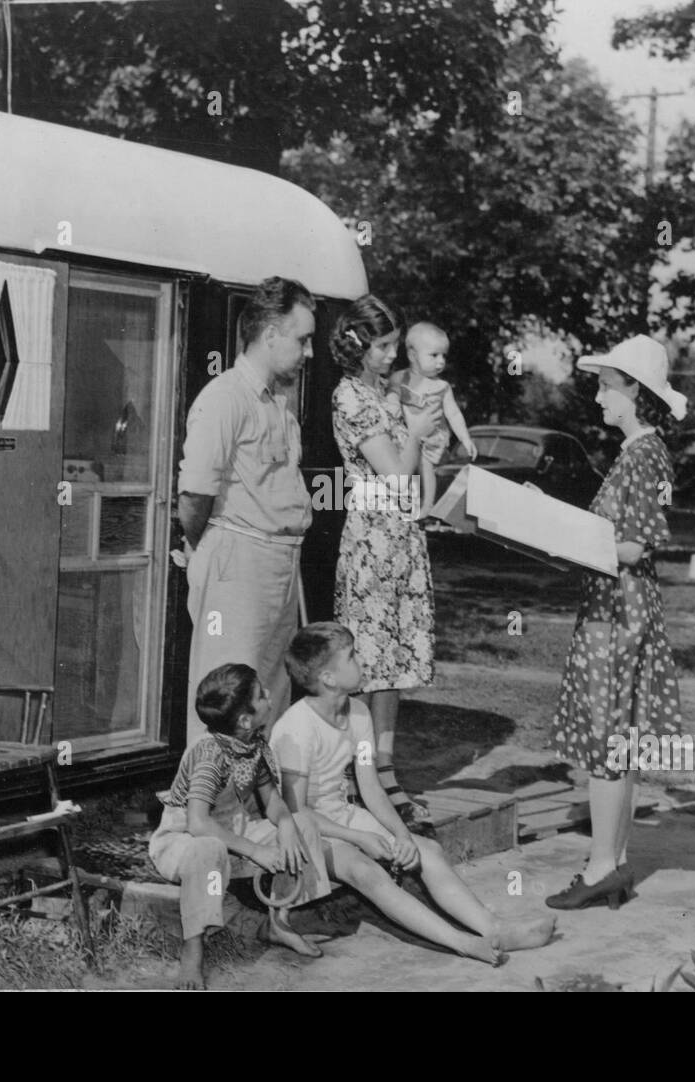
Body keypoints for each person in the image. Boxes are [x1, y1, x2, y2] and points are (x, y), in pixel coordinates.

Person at [271, 622, 556, 964]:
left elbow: (370, 785)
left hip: (343, 815)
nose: (361, 661)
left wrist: (401, 834)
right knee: (365, 872)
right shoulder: (297, 727)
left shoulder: (359, 713)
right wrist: (357, 837)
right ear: (329, 678)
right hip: (308, 830)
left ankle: (494, 929)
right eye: (352, 656)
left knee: (428, 850)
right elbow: (295, 810)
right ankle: (461, 942)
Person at [546, 334, 687, 910]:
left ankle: (602, 866)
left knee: (608, 742)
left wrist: (553, 530)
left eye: (606, 385)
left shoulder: (645, 455)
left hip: (617, 613)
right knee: (618, 744)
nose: (599, 397)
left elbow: (631, 547)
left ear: (635, 391)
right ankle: (615, 861)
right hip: (621, 608)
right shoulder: (639, 453)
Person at [177, 277, 316, 747]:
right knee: (228, 692)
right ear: (270, 335)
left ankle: (253, 807)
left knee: (267, 694)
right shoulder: (225, 398)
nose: (308, 351)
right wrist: (207, 551)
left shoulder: (278, 404)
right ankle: (201, 810)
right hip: (240, 557)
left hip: (280, 562)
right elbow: (194, 495)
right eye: (302, 339)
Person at [148, 662, 331, 989]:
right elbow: (198, 823)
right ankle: (193, 951)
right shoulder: (209, 755)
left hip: (234, 830)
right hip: (184, 843)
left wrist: (286, 823)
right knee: (209, 848)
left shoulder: (253, 745)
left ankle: (280, 922)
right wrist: (257, 850)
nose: (269, 696)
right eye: (261, 695)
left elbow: (272, 800)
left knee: (304, 824)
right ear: (245, 719)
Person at [329, 296, 441, 822]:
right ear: (357, 346)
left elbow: (414, 476)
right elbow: (393, 474)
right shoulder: (350, 398)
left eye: (395, 343)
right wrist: (416, 436)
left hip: (402, 533)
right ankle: (362, 774)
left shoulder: (389, 393)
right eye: (384, 345)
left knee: (395, 663)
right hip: (373, 535)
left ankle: (386, 768)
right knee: (369, 661)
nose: (394, 353)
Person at [388, 321, 476, 518]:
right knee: (402, 467)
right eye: (434, 355)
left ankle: (427, 505)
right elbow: (391, 394)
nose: (441, 361)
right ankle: (403, 502)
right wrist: (392, 402)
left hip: (430, 439)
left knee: (425, 467)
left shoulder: (441, 387)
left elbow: (453, 413)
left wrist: (465, 438)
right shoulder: (399, 378)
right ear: (412, 355)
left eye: (444, 355)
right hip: (405, 435)